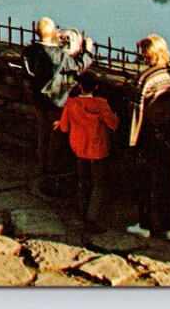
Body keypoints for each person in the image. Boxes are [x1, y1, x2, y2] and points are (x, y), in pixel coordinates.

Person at [125, 33, 170, 241]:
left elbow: (137, 112)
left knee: (145, 182)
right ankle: (169, 227)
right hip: (167, 136)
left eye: (144, 53)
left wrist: (132, 142)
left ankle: (145, 225)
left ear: (150, 54)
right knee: (165, 181)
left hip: (147, 138)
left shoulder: (145, 78)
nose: (142, 56)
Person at [22, 17, 93, 181]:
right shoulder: (58, 55)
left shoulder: (29, 51)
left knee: (43, 130)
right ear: (53, 32)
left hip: (38, 97)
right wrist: (87, 52)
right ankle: (53, 166)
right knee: (56, 131)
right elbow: (78, 67)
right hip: (56, 100)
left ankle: (42, 164)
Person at [56, 70, 118, 230]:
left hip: (79, 148)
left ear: (80, 86)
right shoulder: (101, 105)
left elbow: (64, 128)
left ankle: (82, 212)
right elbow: (113, 124)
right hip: (98, 150)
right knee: (99, 184)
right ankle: (92, 217)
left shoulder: (71, 104)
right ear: (96, 87)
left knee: (84, 180)